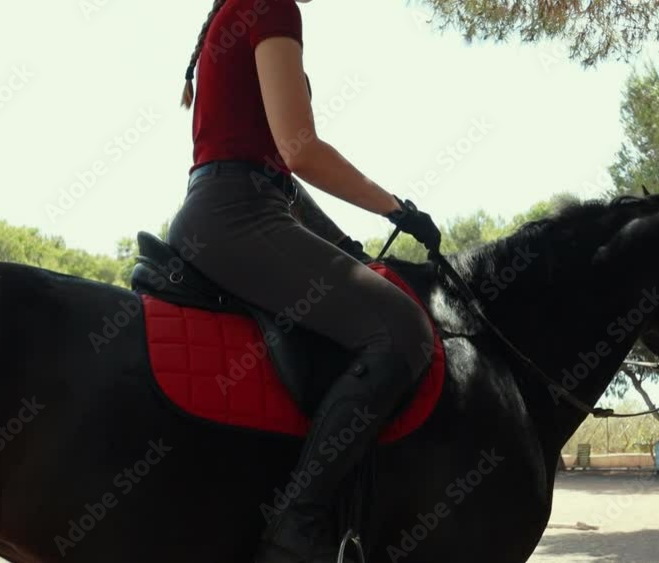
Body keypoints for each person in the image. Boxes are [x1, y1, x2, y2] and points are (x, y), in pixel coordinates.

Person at [168, 0, 442, 561]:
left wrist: (342, 246)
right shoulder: (272, 7)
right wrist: (396, 208)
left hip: (237, 208)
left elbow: (270, 166)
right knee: (403, 330)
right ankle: (298, 523)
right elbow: (299, 149)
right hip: (238, 214)